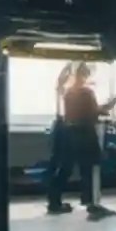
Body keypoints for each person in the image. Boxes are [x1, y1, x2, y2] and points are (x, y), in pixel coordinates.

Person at [49, 62, 116, 219]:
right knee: (88, 170)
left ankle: (54, 203)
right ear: (86, 75)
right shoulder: (87, 92)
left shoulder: (68, 92)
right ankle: (91, 203)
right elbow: (94, 111)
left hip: (68, 134)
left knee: (65, 169)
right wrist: (111, 104)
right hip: (85, 134)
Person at [45, 62, 76, 215]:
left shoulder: (63, 90)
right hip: (63, 127)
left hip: (61, 126)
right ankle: (54, 202)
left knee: (60, 165)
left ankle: (54, 201)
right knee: (63, 166)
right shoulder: (64, 90)